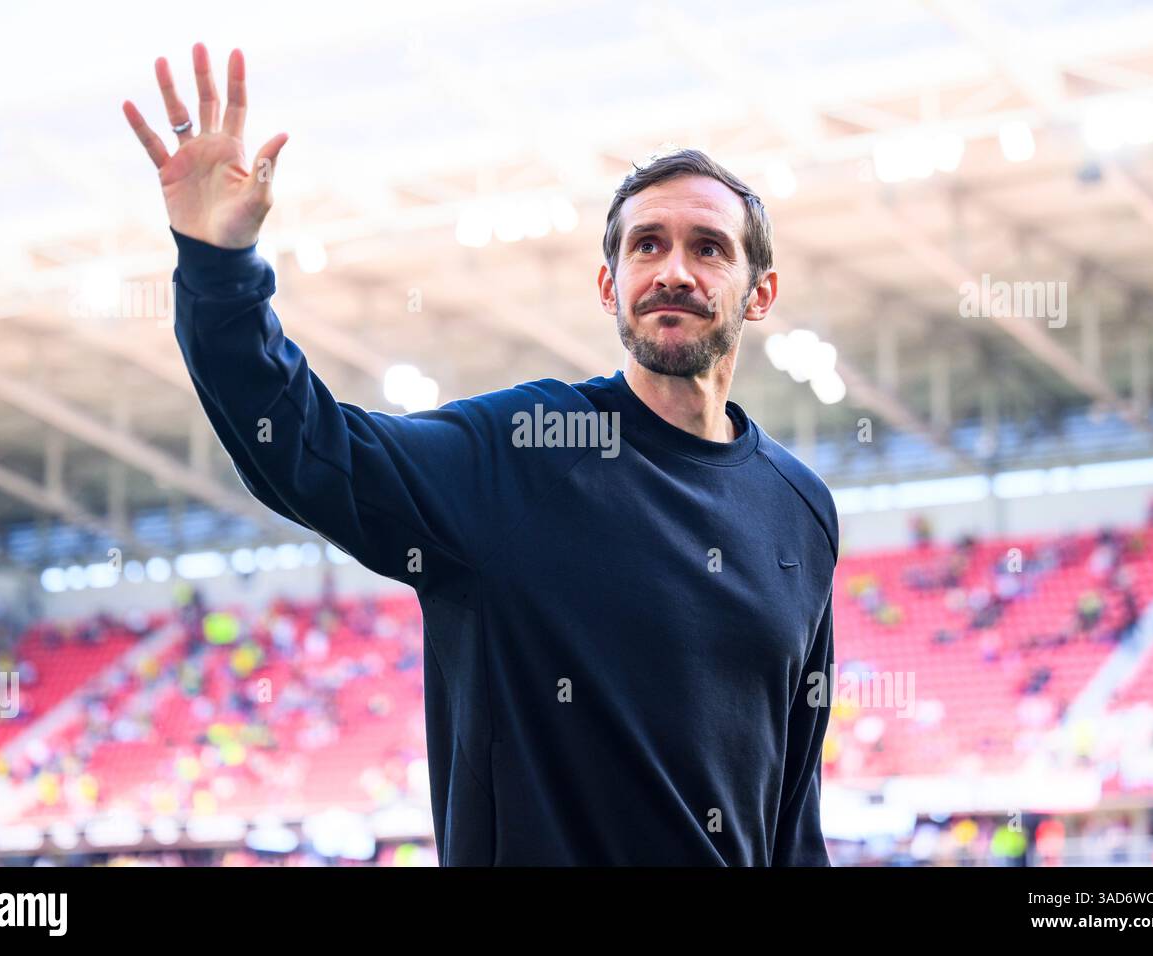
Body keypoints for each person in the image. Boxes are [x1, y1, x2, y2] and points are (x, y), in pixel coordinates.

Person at [122, 44, 838, 866]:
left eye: (708, 248)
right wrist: (219, 271)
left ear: (761, 291)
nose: (672, 271)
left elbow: (793, 808)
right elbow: (307, 447)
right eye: (646, 246)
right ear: (609, 285)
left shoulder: (801, 506)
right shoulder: (521, 452)